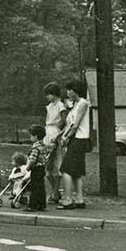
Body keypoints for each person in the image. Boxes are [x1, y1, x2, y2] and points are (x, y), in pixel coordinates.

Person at [58, 79, 90, 210]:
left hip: (79, 139)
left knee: (66, 169)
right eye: (67, 89)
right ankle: (79, 199)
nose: (68, 92)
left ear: (76, 90)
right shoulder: (74, 105)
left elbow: (76, 125)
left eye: (70, 89)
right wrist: (60, 135)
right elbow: (69, 124)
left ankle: (67, 199)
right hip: (74, 139)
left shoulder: (83, 103)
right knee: (76, 171)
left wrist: (66, 137)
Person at [43, 82, 67, 204]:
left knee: (56, 164)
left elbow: (66, 122)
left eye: (49, 94)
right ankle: (56, 192)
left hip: (55, 134)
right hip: (48, 133)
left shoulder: (60, 105)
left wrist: (60, 134)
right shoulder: (50, 106)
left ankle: (55, 193)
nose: (47, 96)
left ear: (54, 94)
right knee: (47, 166)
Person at [24, 124, 50, 211]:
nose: (30, 137)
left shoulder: (35, 147)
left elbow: (32, 160)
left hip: (36, 169)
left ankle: (32, 205)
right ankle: (41, 204)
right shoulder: (44, 146)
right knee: (41, 187)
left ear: (35, 136)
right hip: (42, 168)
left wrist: (27, 167)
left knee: (34, 187)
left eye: (31, 135)